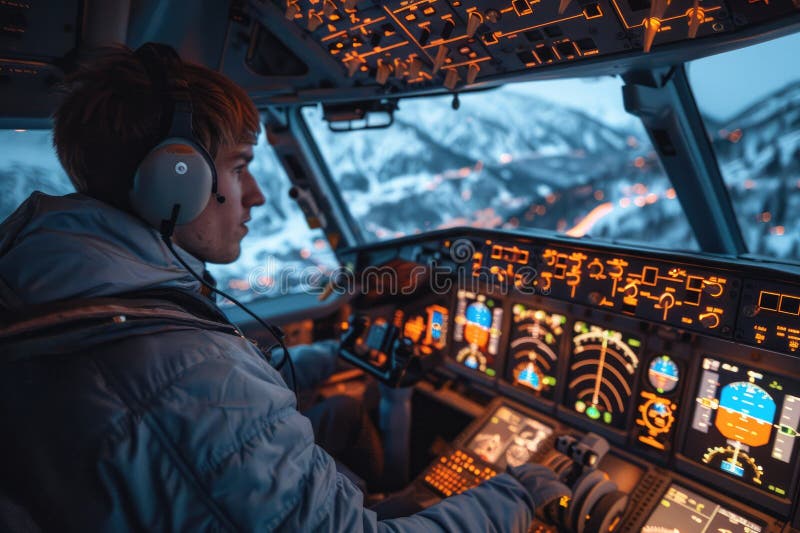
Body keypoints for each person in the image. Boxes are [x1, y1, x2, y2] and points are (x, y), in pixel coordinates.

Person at [0, 43, 569, 531]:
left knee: (344, 412)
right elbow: (196, 398)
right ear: (178, 179)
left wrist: (330, 354)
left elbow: (193, 409)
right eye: (240, 167)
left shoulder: (61, 285)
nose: (256, 196)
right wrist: (522, 494)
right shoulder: (184, 365)